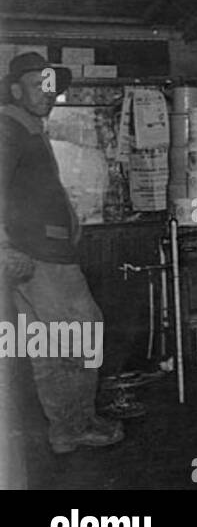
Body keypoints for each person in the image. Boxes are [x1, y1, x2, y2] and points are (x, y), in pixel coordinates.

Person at [0, 52, 124, 454]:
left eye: (50, 85)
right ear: (16, 89)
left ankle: (65, 429)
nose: (47, 93)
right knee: (83, 329)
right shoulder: (9, 128)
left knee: (49, 345)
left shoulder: (28, 127)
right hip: (37, 255)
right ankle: (77, 424)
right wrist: (3, 246)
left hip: (38, 250)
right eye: (38, 85)